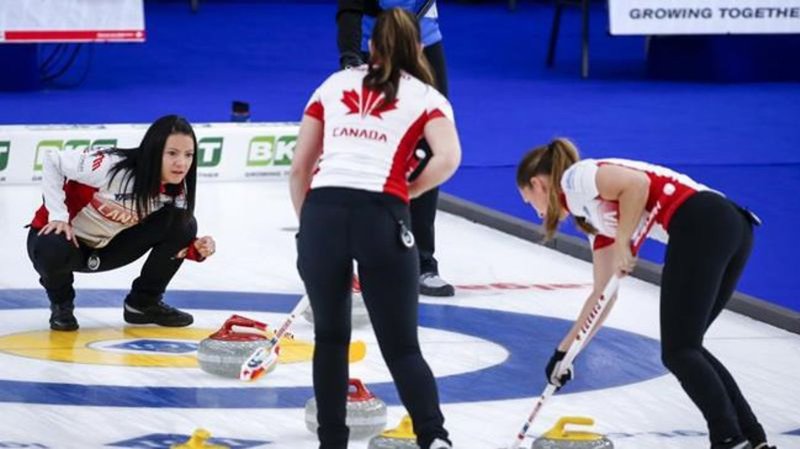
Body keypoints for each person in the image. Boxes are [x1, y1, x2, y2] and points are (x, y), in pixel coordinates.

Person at [515, 138, 774, 449]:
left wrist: (625, 242)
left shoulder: (576, 178)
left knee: (680, 352)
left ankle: (729, 439)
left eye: (528, 200)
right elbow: (602, 296)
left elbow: (636, 185)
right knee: (689, 349)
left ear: (537, 184)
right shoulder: (594, 219)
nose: (536, 212)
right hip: (729, 226)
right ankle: (752, 438)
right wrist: (565, 353)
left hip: (702, 221)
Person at [290, 8, 461, 449]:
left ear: (371, 45)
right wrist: (411, 190)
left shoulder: (333, 84)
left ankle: (333, 442)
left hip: (322, 216)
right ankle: (433, 436)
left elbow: (299, 171)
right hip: (381, 215)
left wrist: (306, 229)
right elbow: (449, 157)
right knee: (402, 346)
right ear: (419, 47)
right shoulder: (426, 96)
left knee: (330, 339)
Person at [27, 114, 215, 331]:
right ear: (153, 150)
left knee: (184, 224)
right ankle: (62, 305)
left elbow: (173, 238)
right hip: (66, 244)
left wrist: (195, 248)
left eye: (189, 155)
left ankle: (143, 304)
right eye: (172, 153)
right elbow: (53, 159)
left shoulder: (175, 191)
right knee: (51, 245)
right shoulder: (110, 166)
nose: (181, 163)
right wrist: (58, 215)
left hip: (107, 249)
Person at [337, 0, 455, 297]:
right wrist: (350, 55)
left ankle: (423, 262)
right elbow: (349, 6)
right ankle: (353, 257)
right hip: (373, 45)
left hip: (422, 42)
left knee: (429, 144)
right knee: (368, 143)